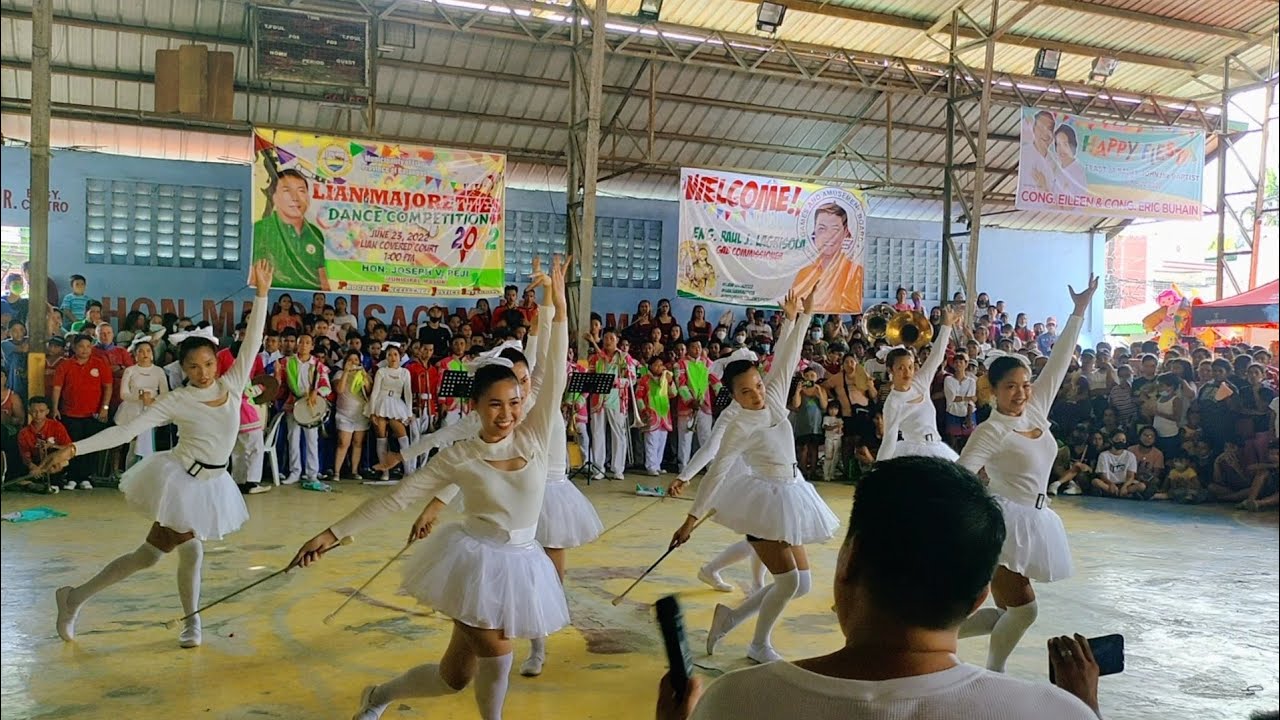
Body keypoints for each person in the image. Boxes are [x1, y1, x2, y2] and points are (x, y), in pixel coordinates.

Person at [292, 256, 572, 720]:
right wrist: (331, 534)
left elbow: (555, 372)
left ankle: (377, 695)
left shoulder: (535, 434)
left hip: (523, 563)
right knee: (499, 653)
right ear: (476, 407)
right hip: (474, 565)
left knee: (452, 678)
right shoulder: (461, 455)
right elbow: (396, 498)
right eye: (495, 406)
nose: (507, 414)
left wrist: (557, 308)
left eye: (515, 403)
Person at [655, 457, 1099, 720]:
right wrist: (1085, 709)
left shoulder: (737, 701)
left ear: (848, 562)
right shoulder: (1048, 711)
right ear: (980, 595)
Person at [41, 260, 273, 648]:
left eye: (209, 365)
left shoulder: (233, 386)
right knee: (191, 552)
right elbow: (125, 430)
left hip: (214, 483)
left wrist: (262, 294)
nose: (203, 372)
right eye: (194, 367)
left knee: (148, 556)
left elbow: (253, 339)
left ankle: (74, 597)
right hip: (181, 480)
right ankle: (191, 625)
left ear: (218, 364)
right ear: (182, 369)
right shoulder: (178, 400)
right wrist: (74, 447)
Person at [669, 288, 841, 664]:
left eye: (758, 386)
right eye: (746, 392)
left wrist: (801, 316)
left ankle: (730, 617)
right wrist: (691, 519)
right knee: (791, 581)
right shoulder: (736, 426)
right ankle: (758, 645)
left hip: (793, 489)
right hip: (762, 501)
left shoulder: (774, 395)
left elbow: (788, 355)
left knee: (802, 582)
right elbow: (718, 472)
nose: (757, 395)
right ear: (733, 395)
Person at [955, 275, 1098, 673]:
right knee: (1024, 609)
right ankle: (993, 672)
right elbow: (960, 474)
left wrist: (1079, 311)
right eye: (1010, 387)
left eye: (1024, 385)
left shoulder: (1035, 409)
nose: (1020, 393)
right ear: (994, 391)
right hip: (1003, 522)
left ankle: (938, 635)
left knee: (1011, 609)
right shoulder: (991, 429)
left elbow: (1059, 361)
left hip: (1037, 517)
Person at [876, 307, 956, 461]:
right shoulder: (893, 403)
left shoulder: (920, 382)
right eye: (901, 368)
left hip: (937, 448)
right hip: (912, 452)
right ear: (890, 370)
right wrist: (879, 470)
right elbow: (889, 440)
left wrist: (947, 326)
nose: (907, 372)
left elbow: (936, 356)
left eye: (910, 367)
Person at [252, 169, 330, 290]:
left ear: (308, 199)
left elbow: (323, 281)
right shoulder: (260, 229)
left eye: (301, 191)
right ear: (275, 198)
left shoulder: (315, 233)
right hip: (274, 303)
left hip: (309, 305)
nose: (295, 198)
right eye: (287, 191)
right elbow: (252, 278)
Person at [276, 332, 331, 485]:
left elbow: (327, 388)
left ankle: (312, 473)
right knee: (292, 438)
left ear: (312, 346)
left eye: (307, 343)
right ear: (296, 345)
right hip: (293, 404)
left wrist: (316, 392)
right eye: (301, 342)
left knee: (312, 439)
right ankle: (295, 472)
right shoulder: (287, 363)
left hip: (310, 406)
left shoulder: (318, 366)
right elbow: (280, 385)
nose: (304, 345)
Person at [790, 203, 863, 313]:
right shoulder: (804, 273)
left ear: (846, 233)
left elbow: (850, 305)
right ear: (814, 233)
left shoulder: (854, 272)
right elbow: (794, 307)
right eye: (822, 229)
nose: (829, 236)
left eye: (835, 230)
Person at [116, 339, 169, 468]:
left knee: (148, 444)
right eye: (141, 351)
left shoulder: (159, 371)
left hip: (152, 410)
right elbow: (124, 394)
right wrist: (139, 397)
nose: (145, 354)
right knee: (133, 446)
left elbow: (165, 393)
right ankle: (129, 474)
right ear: (135, 354)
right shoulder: (130, 371)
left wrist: (152, 400)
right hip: (132, 410)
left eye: (148, 351)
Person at [367, 343, 415, 482]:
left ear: (400, 356)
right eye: (389, 355)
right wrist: (372, 412)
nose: (393, 357)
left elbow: (408, 393)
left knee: (403, 437)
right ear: (386, 358)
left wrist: (409, 412)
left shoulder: (405, 372)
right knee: (381, 438)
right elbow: (375, 392)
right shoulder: (381, 371)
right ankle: (384, 471)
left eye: (395, 354)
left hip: (396, 405)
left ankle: (408, 470)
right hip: (381, 403)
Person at [333, 350, 372, 481]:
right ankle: (336, 472)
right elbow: (339, 389)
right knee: (343, 443)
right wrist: (346, 372)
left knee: (358, 443)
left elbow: (369, 391)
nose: (353, 363)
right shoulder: (339, 373)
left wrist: (364, 376)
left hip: (360, 413)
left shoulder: (363, 375)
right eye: (350, 360)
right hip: (344, 413)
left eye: (356, 360)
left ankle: (354, 471)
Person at [636, 355, 677, 476]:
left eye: (661, 365)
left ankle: (657, 465)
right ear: (650, 366)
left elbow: (674, 393)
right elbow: (638, 397)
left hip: (664, 414)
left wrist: (670, 382)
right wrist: (643, 410)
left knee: (661, 441)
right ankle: (650, 466)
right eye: (657, 365)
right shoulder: (644, 379)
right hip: (651, 414)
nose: (660, 367)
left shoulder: (666, 378)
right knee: (651, 442)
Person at [17, 396, 71, 488]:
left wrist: (52, 446)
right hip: (36, 463)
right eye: (34, 411)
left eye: (41, 411)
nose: (38, 414)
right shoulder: (24, 433)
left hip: (54, 463)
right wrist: (33, 467)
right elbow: (25, 455)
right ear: (29, 411)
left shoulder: (57, 426)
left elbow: (69, 447)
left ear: (47, 411)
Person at [944, 352, 978, 452]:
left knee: (969, 443)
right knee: (953, 443)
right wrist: (968, 398)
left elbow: (971, 402)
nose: (958, 364)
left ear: (966, 364)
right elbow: (952, 398)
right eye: (956, 362)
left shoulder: (971, 381)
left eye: (961, 362)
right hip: (952, 413)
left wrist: (969, 416)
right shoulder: (948, 380)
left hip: (968, 413)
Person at [821, 402, 843, 482]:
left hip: (837, 439)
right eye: (831, 409)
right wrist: (836, 426)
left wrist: (839, 428)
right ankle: (826, 474)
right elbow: (827, 427)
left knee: (835, 457)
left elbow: (840, 431)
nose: (833, 411)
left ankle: (832, 474)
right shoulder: (826, 418)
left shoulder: (839, 419)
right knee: (828, 456)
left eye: (835, 409)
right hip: (829, 439)